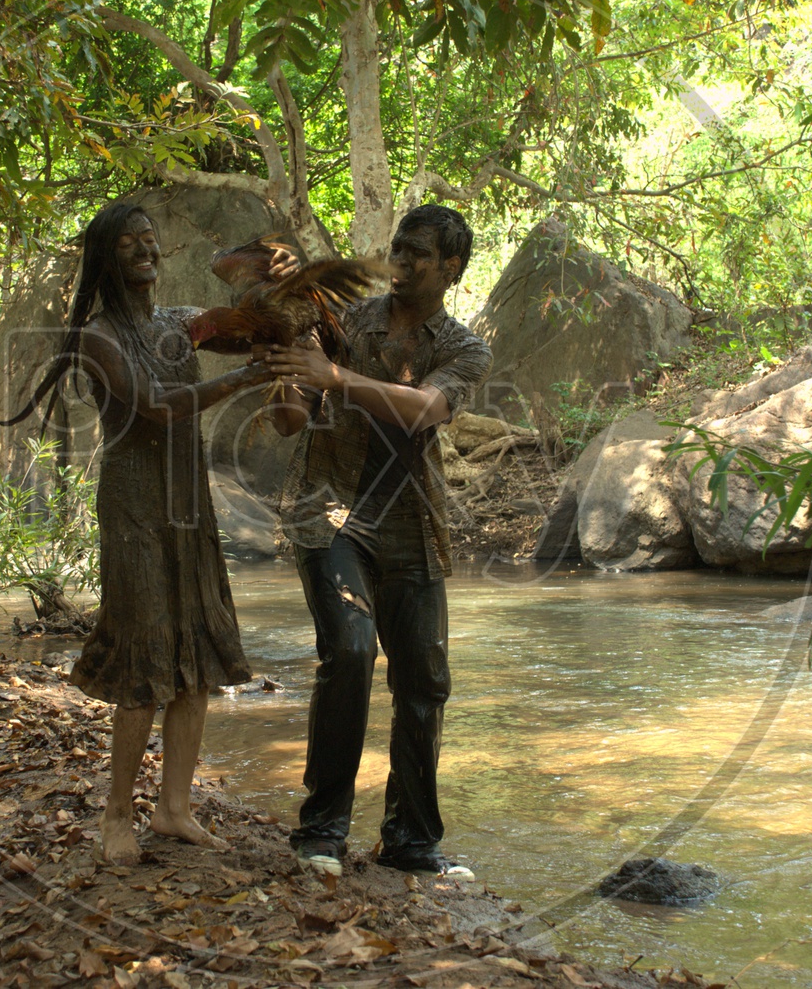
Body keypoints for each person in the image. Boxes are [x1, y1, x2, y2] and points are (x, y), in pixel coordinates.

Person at [25, 200, 274, 865]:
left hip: (188, 499)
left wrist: (279, 313)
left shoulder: (177, 324)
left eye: (150, 239)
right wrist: (247, 378)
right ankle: (115, 814)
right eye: (130, 242)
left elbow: (242, 328)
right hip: (134, 504)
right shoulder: (97, 337)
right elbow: (157, 409)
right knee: (143, 663)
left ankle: (173, 809)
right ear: (106, 258)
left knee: (194, 658)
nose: (146, 250)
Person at [260, 204, 493, 879]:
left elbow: (425, 411)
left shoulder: (463, 347)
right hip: (326, 509)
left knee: (424, 678)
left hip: (410, 523)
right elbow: (289, 419)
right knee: (353, 648)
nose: (400, 263)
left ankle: (412, 843)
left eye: (417, 254)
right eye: (396, 249)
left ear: (451, 268)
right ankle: (321, 834)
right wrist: (286, 379)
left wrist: (338, 380)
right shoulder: (345, 321)